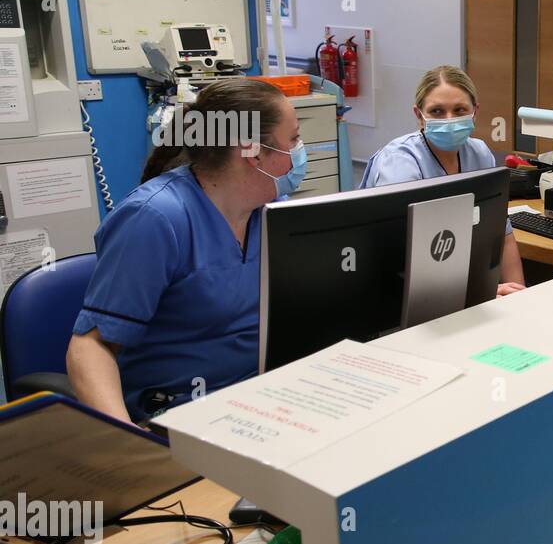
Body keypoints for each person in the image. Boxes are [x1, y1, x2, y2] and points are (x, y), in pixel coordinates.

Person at [67, 79, 305, 424]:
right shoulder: (155, 219)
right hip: (181, 415)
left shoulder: (270, 214)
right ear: (252, 151)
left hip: (263, 402)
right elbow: (90, 347)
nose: (300, 151)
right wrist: (127, 442)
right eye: (294, 139)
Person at [360, 65, 525, 296]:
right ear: (419, 115)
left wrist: (520, 297)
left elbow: (502, 234)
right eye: (437, 111)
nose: (449, 120)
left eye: (459, 110)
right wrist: (480, 292)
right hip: (403, 292)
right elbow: (404, 253)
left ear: (474, 112)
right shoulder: (400, 163)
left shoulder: (479, 154)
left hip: (460, 286)